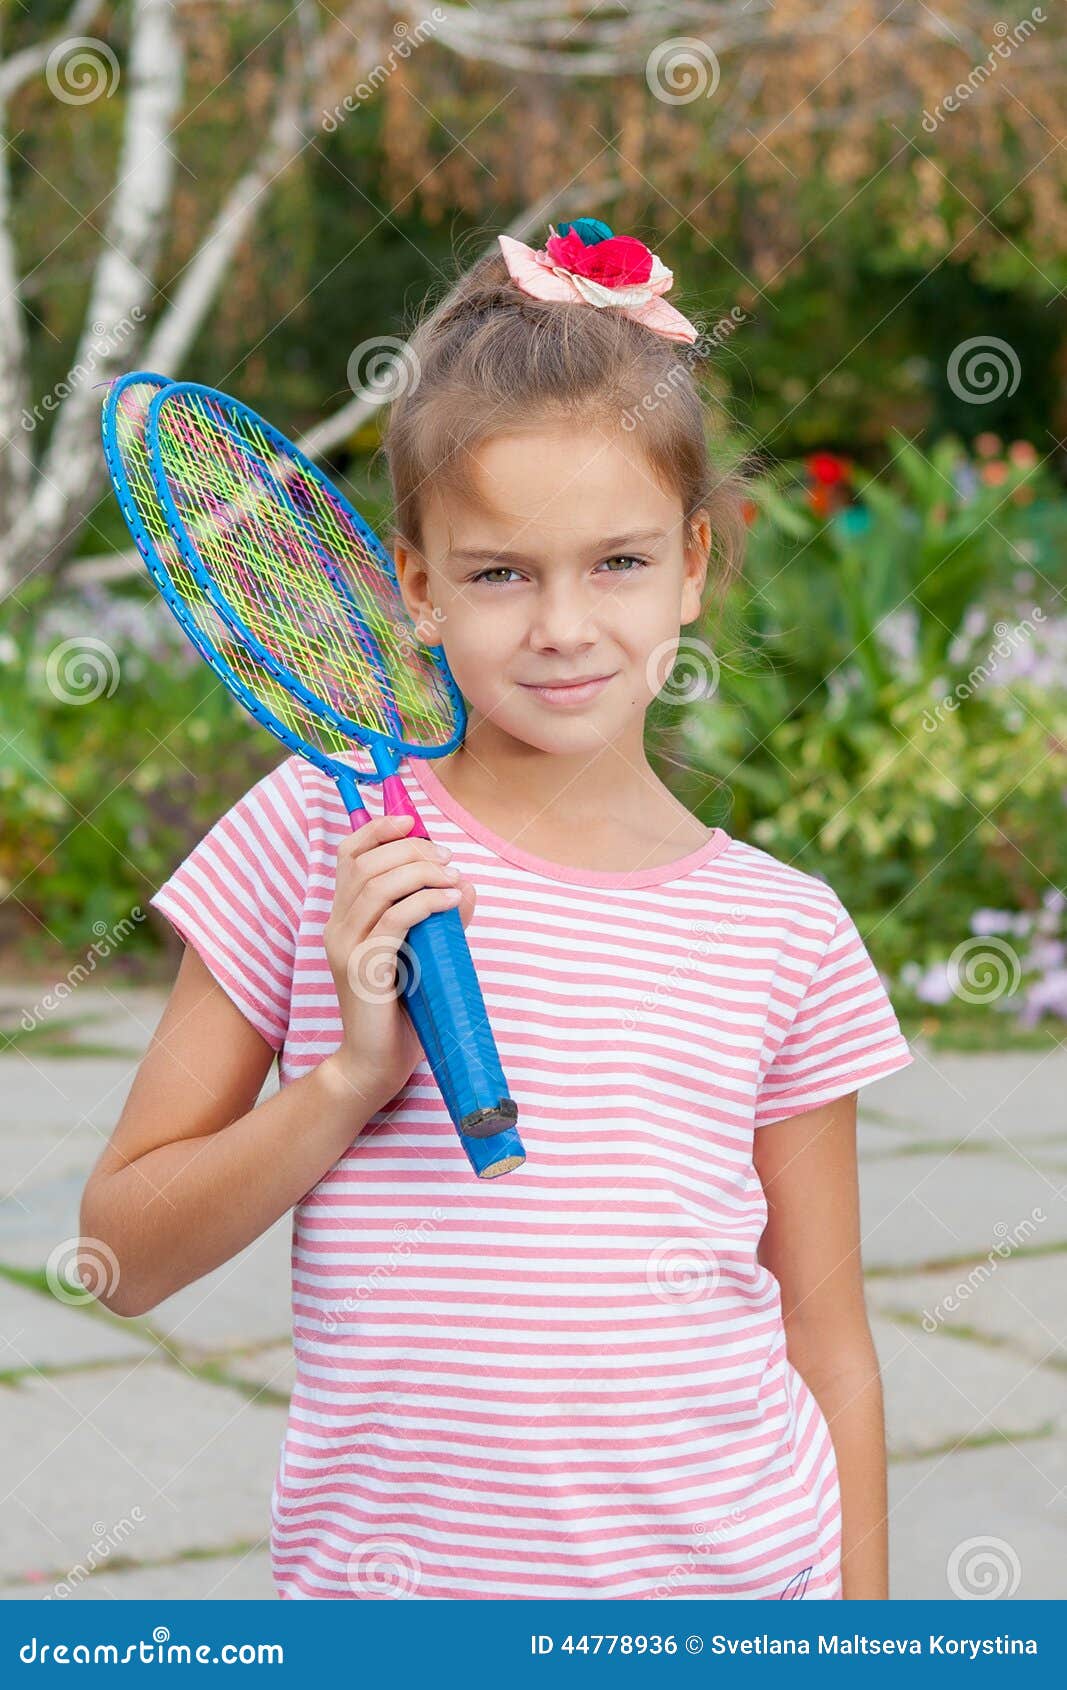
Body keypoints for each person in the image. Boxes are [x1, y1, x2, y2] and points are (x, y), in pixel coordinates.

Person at [79, 217, 913, 1601]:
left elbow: (831, 1338)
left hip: (725, 1606)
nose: (565, 626)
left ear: (696, 564)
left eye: (621, 562)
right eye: (499, 572)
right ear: (413, 584)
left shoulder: (788, 932)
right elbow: (117, 1254)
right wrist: (346, 1080)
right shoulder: (316, 834)